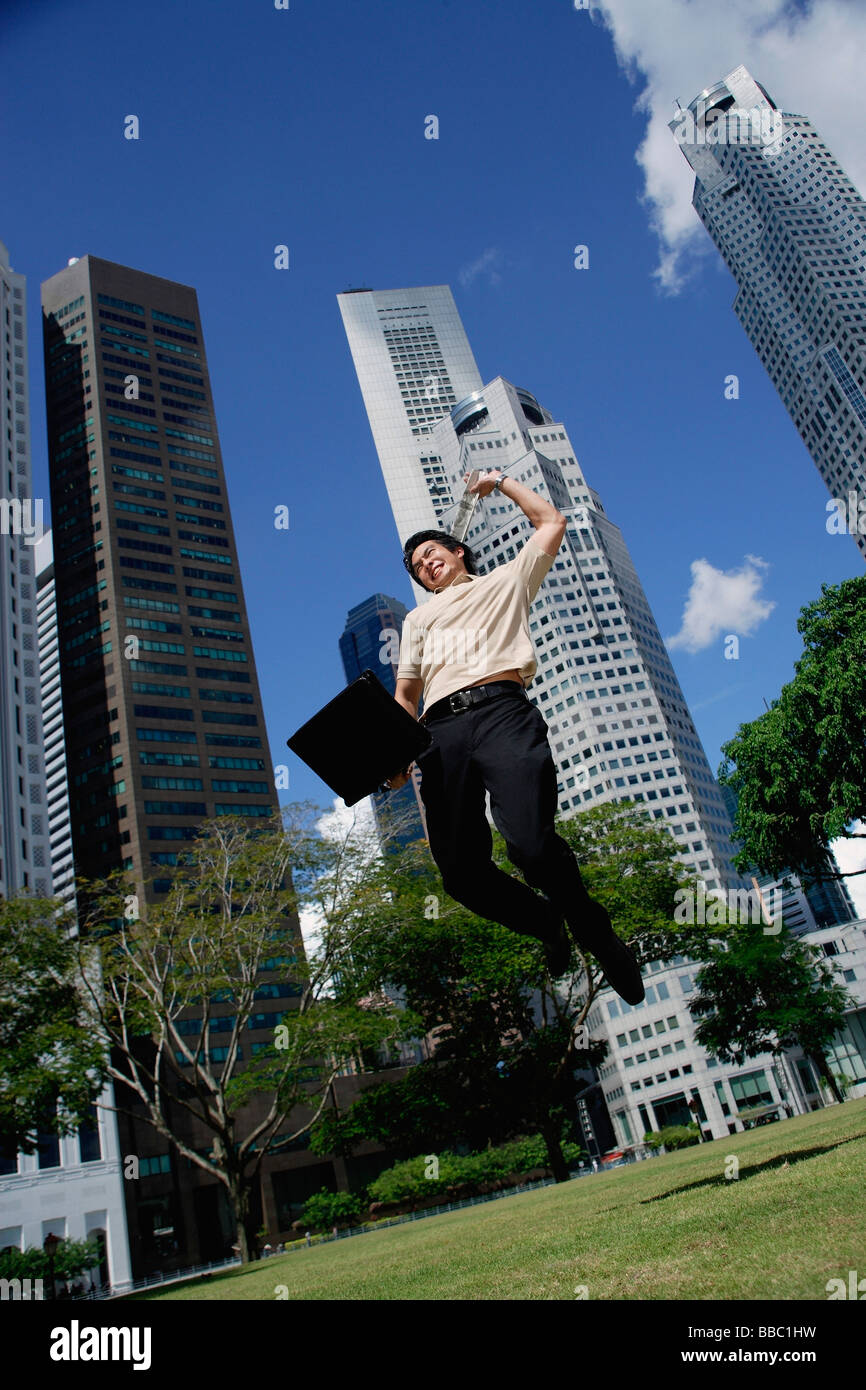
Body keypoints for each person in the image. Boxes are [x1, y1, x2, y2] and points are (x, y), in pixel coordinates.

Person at [387, 468, 643, 1005]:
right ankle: (545, 921)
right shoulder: (418, 619)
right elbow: (406, 696)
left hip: (502, 711)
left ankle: (595, 931)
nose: (427, 565)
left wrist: (498, 481)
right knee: (459, 874)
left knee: (528, 843)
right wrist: (395, 756)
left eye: (433, 553)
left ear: (458, 551)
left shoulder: (506, 581)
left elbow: (551, 520)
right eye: (417, 567)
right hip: (439, 735)